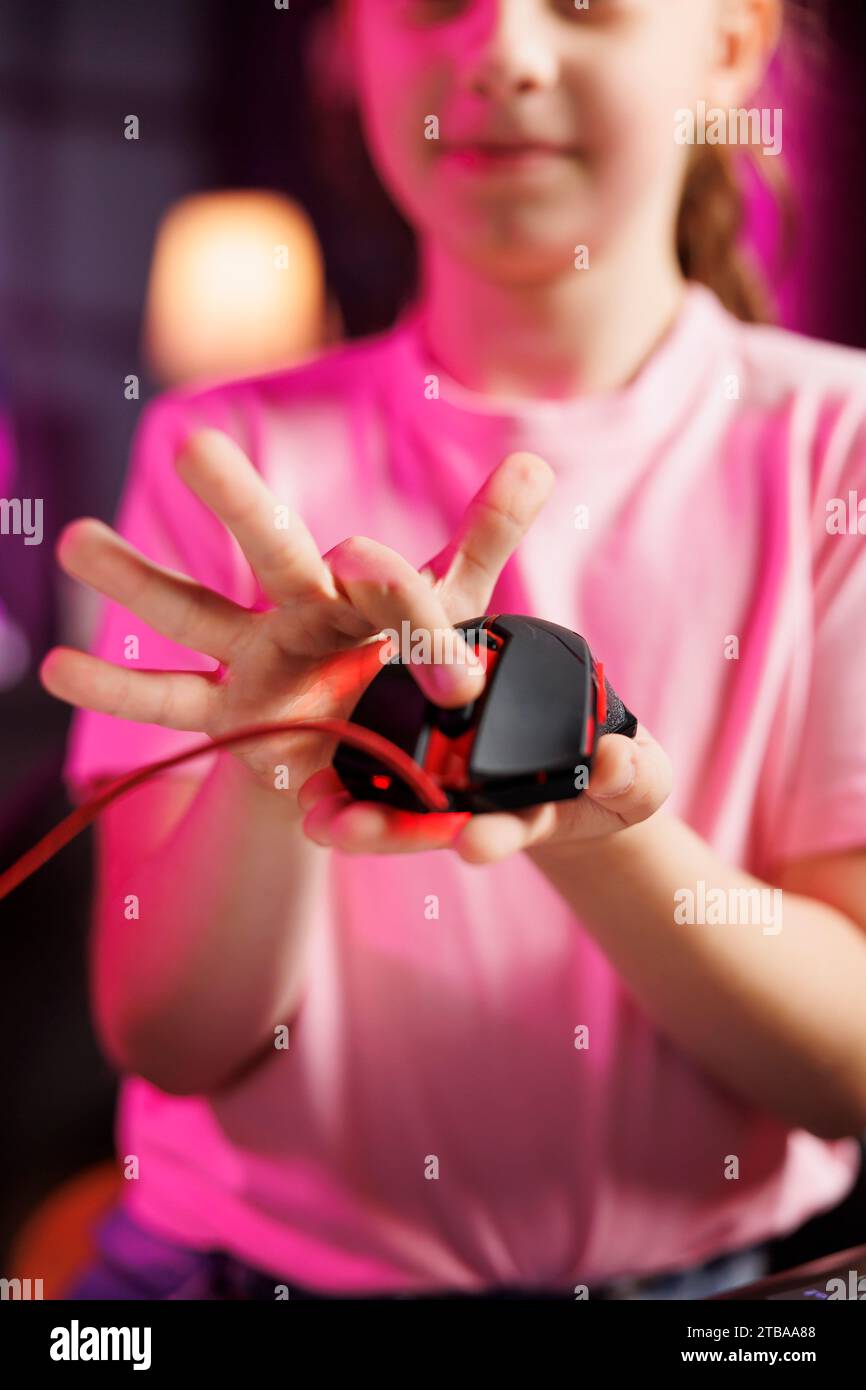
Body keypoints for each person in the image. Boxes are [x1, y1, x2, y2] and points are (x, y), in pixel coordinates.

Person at [42, 0, 866, 1300]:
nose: (501, 51)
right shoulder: (224, 460)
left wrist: (603, 837)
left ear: (727, 44)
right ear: (344, 47)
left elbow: (849, 1064)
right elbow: (167, 1036)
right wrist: (264, 768)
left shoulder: (838, 449)